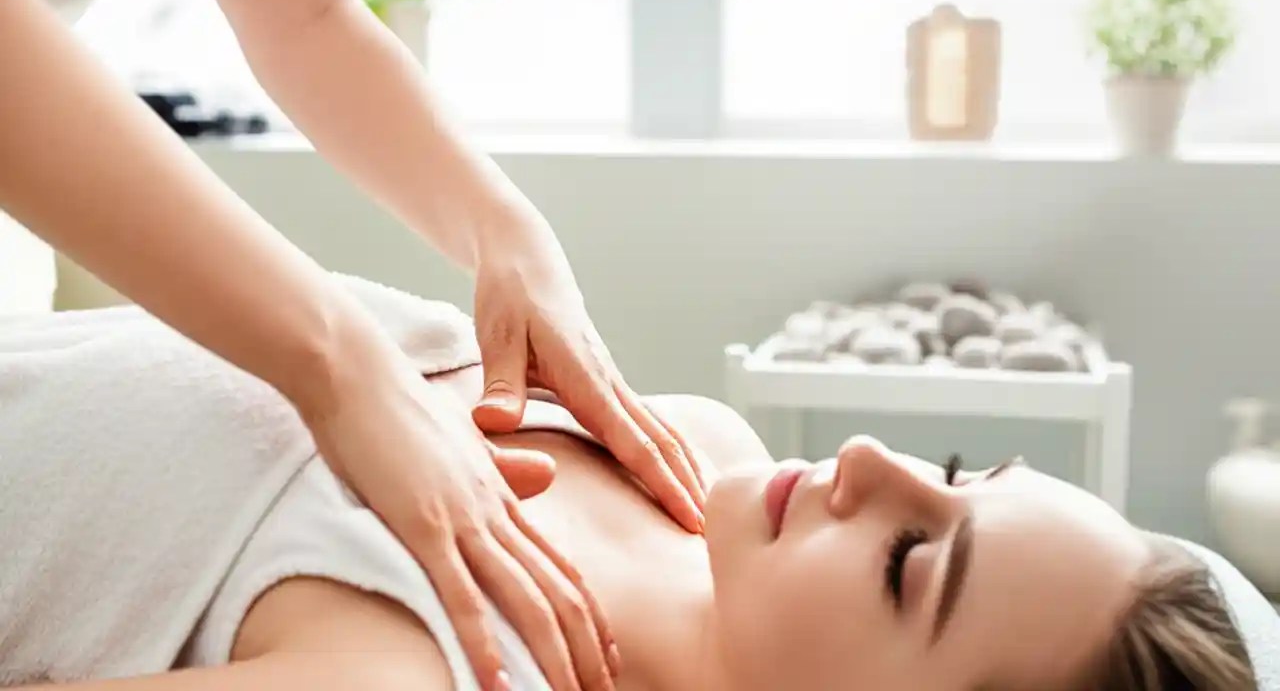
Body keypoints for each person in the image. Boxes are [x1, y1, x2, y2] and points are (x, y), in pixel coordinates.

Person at [0, 273, 1258, 691]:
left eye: (908, 561)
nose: (868, 463)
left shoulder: (442, 663)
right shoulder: (697, 453)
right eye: (951, 474)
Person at [0, 0, 708, 690]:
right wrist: (343, 367)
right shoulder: (711, 447)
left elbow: (307, 14)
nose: (806, 475)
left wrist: (506, 236)